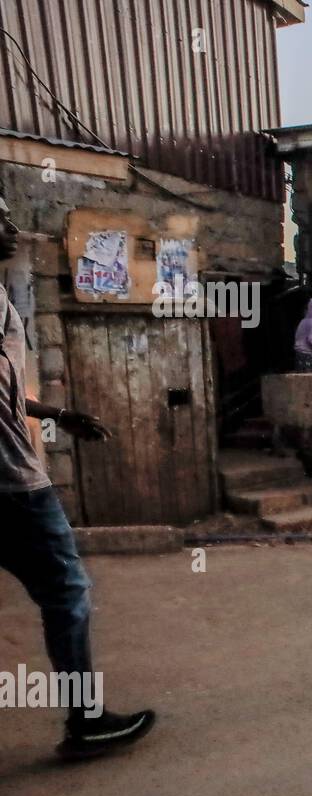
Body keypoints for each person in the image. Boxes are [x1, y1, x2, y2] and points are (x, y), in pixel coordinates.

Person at [0, 191, 155, 758]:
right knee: (66, 592)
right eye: (1, 218)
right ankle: (86, 721)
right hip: (14, 487)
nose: (12, 226)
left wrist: (56, 415)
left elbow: (7, 393)